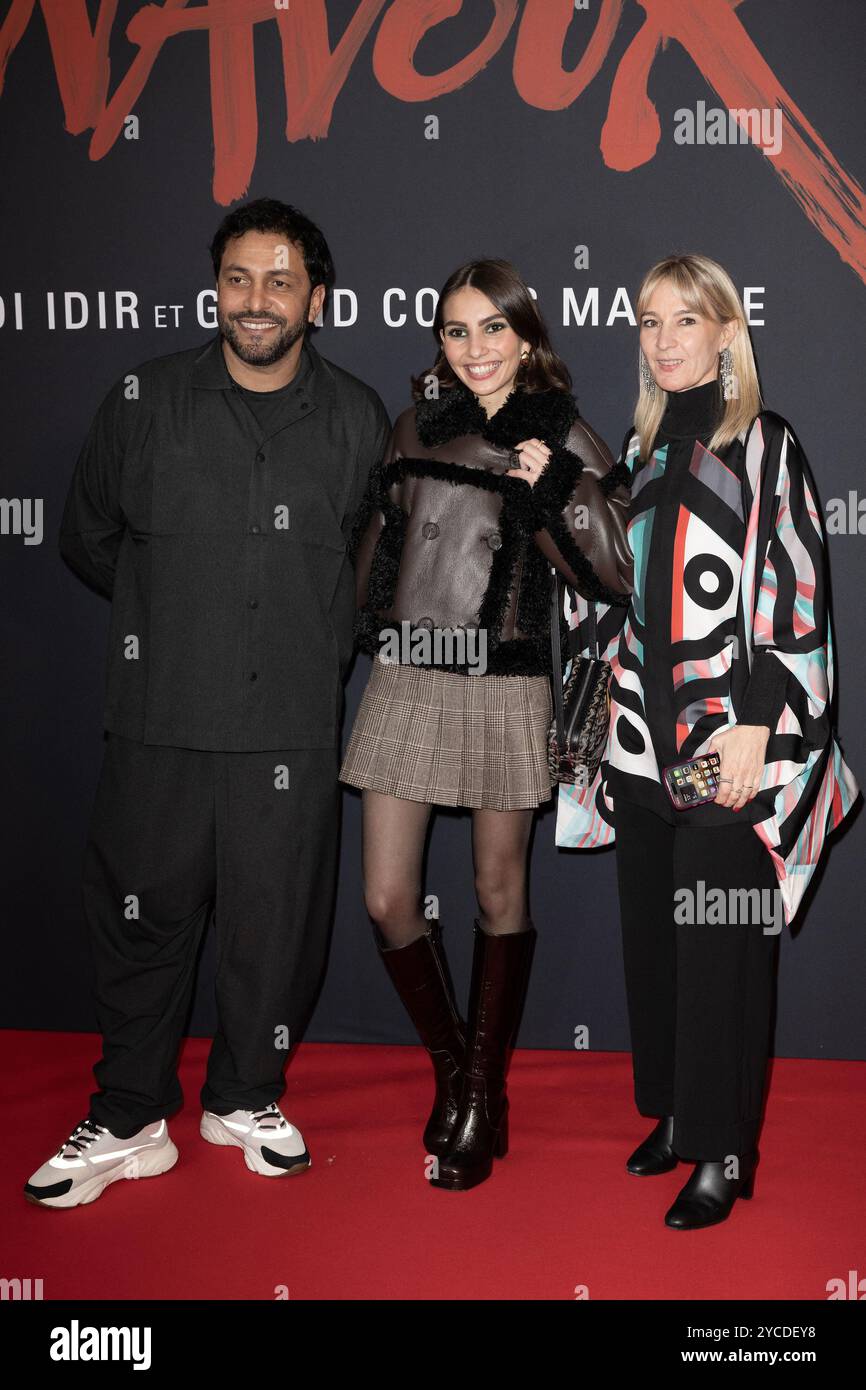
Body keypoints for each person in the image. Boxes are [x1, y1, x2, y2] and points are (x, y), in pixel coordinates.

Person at [26, 198, 391, 1207]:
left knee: (276, 928)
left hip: (289, 730)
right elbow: (87, 536)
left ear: (317, 299)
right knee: (139, 921)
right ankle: (131, 1115)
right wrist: (176, 615)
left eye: (279, 280)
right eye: (237, 278)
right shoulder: (144, 398)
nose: (256, 300)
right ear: (216, 289)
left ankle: (245, 1096)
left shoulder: (358, 418)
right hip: (159, 718)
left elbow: (371, 571)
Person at [557, 253, 859, 1228]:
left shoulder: (763, 444)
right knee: (655, 942)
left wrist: (760, 724)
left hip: (724, 748)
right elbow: (610, 591)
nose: (662, 340)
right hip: (642, 748)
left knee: (720, 947)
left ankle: (723, 1150)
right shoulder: (638, 453)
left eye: (684, 320)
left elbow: (797, 588)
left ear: (727, 331)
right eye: (648, 321)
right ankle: (679, 1114)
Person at [340, 258, 633, 1190]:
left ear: (527, 336)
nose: (475, 349)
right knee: (387, 898)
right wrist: (357, 641)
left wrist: (558, 487)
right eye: (457, 331)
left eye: (494, 328)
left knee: (498, 891)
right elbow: (377, 554)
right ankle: (461, 1076)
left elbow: (615, 573)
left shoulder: (561, 430)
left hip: (503, 682)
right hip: (406, 676)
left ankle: (477, 1097)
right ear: (440, 342)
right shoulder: (414, 424)